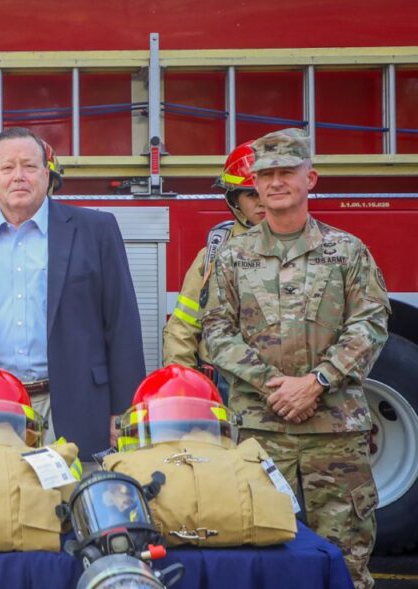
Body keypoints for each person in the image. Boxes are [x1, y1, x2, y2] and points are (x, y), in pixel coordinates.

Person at [202, 128, 390, 589]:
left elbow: (370, 324)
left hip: (335, 434)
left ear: (311, 179)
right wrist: (275, 385)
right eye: (266, 175)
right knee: (261, 558)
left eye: (288, 172)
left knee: (347, 561)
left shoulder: (346, 252)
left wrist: (316, 382)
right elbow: (215, 332)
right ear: (256, 185)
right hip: (263, 431)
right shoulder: (231, 257)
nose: (276, 182)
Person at [0, 127, 145, 455]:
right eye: (7, 168)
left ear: (46, 174)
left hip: (75, 406)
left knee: (73, 497)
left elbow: (122, 324)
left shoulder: (96, 231)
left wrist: (124, 411)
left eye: (29, 166)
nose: (19, 176)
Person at [162, 140, 265, 372]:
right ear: (234, 199)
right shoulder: (213, 254)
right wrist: (184, 384)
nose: (262, 202)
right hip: (225, 386)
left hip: (295, 391)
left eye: (268, 192)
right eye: (251, 194)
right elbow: (182, 328)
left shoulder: (319, 250)